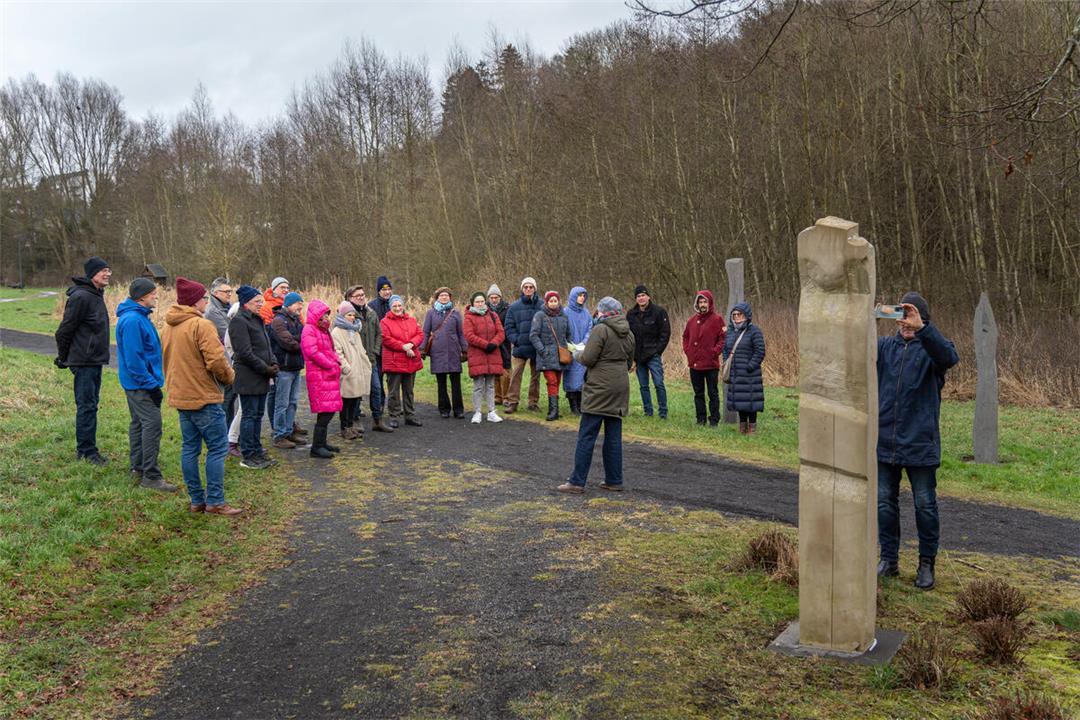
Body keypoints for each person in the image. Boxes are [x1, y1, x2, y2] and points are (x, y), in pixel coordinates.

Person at [877, 293, 959, 591]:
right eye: (903, 317)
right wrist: (865, 319)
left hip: (920, 442)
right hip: (885, 441)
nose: (906, 324)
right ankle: (889, 559)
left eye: (912, 317)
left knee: (925, 505)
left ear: (923, 319)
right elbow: (853, 352)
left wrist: (923, 329)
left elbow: (949, 357)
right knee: (884, 503)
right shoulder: (885, 347)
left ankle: (927, 564)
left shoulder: (933, 350)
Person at [160, 277, 242, 516]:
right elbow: (217, 360)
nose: (207, 301)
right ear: (195, 301)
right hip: (204, 396)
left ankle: (197, 500)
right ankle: (215, 501)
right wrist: (229, 378)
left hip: (181, 396)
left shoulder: (168, 326)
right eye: (205, 297)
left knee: (189, 448)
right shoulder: (202, 325)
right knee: (217, 448)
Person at [558, 297, 636, 494]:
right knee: (613, 436)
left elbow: (588, 358)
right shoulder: (629, 333)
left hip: (599, 388)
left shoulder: (600, 329)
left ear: (604, 312)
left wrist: (576, 353)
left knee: (587, 435)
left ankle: (576, 481)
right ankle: (614, 479)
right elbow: (629, 363)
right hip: (620, 386)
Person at [116, 278, 176, 493]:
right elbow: (135, 360)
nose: (156, 296)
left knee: (139, 423)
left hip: (138, 383)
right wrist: (151, 385)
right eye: (152, 293)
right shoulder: (133, 320)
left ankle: (138, 467)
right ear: (141, 296)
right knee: (152, 423)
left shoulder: (138, 317)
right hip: (139, 384)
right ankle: (150, 475)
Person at [54, 256, 112, 464]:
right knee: (87, 406)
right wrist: (64, 358)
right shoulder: (81, 297)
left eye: (108, 270)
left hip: (94, 361)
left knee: (91, 405)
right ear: (92, 274)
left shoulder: (96, 295)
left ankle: (89, 449)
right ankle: (87, 452)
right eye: (102, 271)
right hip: (84, 362)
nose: (107, 274)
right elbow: (64, 331)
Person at [228, 285, 279, 469]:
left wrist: (273, 362)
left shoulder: (257, 319)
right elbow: (244, 353)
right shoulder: (239, 321)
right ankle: (248, 454)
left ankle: (257, 450)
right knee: (249, 415)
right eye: (257, 302)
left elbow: (266, 345)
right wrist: (266, 368)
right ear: (245, 303)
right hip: (249, 376)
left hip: (262, 375)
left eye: (261, 301)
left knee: (258, 415)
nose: (260, 304)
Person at [301, 300, 344, 458]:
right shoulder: (309, 330)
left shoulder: (323, 331)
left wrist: (336, 361)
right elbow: (312, 352)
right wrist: (330, 365)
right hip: (320, 375)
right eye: (323, 314)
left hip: (328, 374)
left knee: (329, 410)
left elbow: (330, 349)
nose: (326, 317)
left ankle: (322, 443)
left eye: (327, 314)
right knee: (325, 411)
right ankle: (316, 447)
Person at [346, 285, 392, 433]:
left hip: (371, 359)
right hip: (355, 360)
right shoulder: (347, 315)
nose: (361, 297)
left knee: (376, 389)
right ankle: (354, 420)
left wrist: (375, 350)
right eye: (357, 295)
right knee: (357, 391)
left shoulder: (371, 313)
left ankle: (377, 420)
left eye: (362, 294)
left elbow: (379, 334)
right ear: (349, 298)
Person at [422, 287, 469, 419]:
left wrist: (465, 349)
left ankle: (458, 409)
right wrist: (422, 348)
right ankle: (444, 409)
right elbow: (425, 332)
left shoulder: (456, 313)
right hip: (438, 351)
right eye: (441, 295)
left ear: (450, 297)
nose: (444, 297)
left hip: (454, 351)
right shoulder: (431, 313)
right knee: (441, 382)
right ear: (437, 297)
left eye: (446, 295)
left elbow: (461, 333)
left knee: (456, 382)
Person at [682, 290, 727, 426]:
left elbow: (723, 338)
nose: (702, 304)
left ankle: (714, 420)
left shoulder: (717, 319)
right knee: (698, 393)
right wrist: (688, 351)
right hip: (694, 364)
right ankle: (700, 419)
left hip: (711, 364)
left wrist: (715, 351)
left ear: (710, 302)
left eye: (705, 301)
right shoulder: (691, 321)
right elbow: (685, 337)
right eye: (700, 302)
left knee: (713, 393)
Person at [268, 291, 307, 449]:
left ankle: (289, 431)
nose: (300, 307)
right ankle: (279, 435)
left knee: (293, 402)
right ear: (290, 304)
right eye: (298, 304)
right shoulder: (278, 321)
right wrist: (301, 343)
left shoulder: (296, 320)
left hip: (295, 366)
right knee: (282, 403)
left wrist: (298, 340)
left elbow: (305, 337)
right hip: (283, 368)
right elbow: (288, 342)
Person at [627, 284, 671, 419]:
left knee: (658, 383)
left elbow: (665, 333)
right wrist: (632, 356)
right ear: (636, 299)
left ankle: (663, 412)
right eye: (638, 296)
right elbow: (628, 335)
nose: (641, 298)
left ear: (648, 297)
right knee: (643, 386)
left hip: (653, 354)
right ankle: (648, 412)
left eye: (643, 295)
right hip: (638, 356)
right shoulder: (631, 315)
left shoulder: (659, 312)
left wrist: (658, 351)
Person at [380, 295, 424, 428]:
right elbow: (385, 339)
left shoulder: (411, 319)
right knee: (393, 391)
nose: (398, 308)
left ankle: (410, 415)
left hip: (410, 359)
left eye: (400, 305)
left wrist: (410, 344)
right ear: (390, 307)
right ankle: (394, 415)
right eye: (395, 306)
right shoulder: (384, 322)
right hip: (394, 361)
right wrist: (403, 347)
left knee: (409, 390)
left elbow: (420, 334)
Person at [462, 290, 506, 423]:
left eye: (482, 301)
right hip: (477, 355)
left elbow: (501, 332)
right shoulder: (469, 317)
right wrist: (485, 345)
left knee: (491, 385)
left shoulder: (493, 315)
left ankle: (492, 412)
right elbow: (469, 336)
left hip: (492, 354)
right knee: (478, 385)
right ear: (473, 303)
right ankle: (477, 412)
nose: (480, 304)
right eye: (477, 301)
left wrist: (494, 343)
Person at [331, 301, 372, 440]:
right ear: (342, 315)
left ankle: (351, 425)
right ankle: (344, 428)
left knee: (355, 400)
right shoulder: (337, 332)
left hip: (358, 370)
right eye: (349, 315)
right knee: (346, 402)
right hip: (348, 372)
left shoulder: (354, 330)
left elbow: (360, 350)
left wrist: (365, 364)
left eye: (353, 315)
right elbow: (337, 353)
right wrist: (346, 368)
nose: (352, 318)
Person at [723, 302, 766, 434]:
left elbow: (760, 351)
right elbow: (726, 349)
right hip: (735, 373)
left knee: (751, 401)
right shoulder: (730, 332)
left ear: (746, 316)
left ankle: (752, 428)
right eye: (734, 314)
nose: (736, 317)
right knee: (740, 401)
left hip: (750, 373)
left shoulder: (754, 331)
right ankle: (742, 427)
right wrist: (726, 362)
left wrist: (750, 366)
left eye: (739, 314)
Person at [504, 277, 543, 413]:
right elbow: (509, 327)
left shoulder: (542, 306)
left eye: (530, 287)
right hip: (520, 347)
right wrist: (517, 340)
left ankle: (533, 402)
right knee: (516, 374)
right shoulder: (514, 307)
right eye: (525, 287)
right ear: (522, 289)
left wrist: (541, 342)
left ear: (534, 289)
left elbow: (547, 326)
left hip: (537, 347)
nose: (528, 289)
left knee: (536, 376)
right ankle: (512, 401)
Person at [531, 290, 570, 421]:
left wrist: (568, 349)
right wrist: (542, 350)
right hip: (546, 355)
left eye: (555, 301)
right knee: (552, 381)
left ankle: (555, 410)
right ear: (546, 302)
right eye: (551, 301)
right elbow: (533, 335)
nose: (553, 303)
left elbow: (567, 335)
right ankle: (553, 411)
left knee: (557, 381)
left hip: (560, 356)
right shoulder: (540, 315)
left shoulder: (564, 316)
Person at [562, 286, 591, 416]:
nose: (582, 298)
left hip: (583, 351)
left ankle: (580, 404)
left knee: (582, 378)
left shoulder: (587, 314)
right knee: (571, 377)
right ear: (574, 296)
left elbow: (590, 329)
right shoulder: (565, 312)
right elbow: (562, 329)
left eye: (584, 295)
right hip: (570, 350)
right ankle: (573, 405)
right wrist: (570, 344)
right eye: (580, 295)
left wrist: (584, 342)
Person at [486, 284, 512, 407]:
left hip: (505, 343)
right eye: (492, 297)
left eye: (496, 297)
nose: (494, 299)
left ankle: (507, 396)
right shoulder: (485, 309)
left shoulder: (507, 308)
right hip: (491, 343)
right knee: (494, 372)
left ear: (500, 297)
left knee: (506, 371)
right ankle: (497, 396)